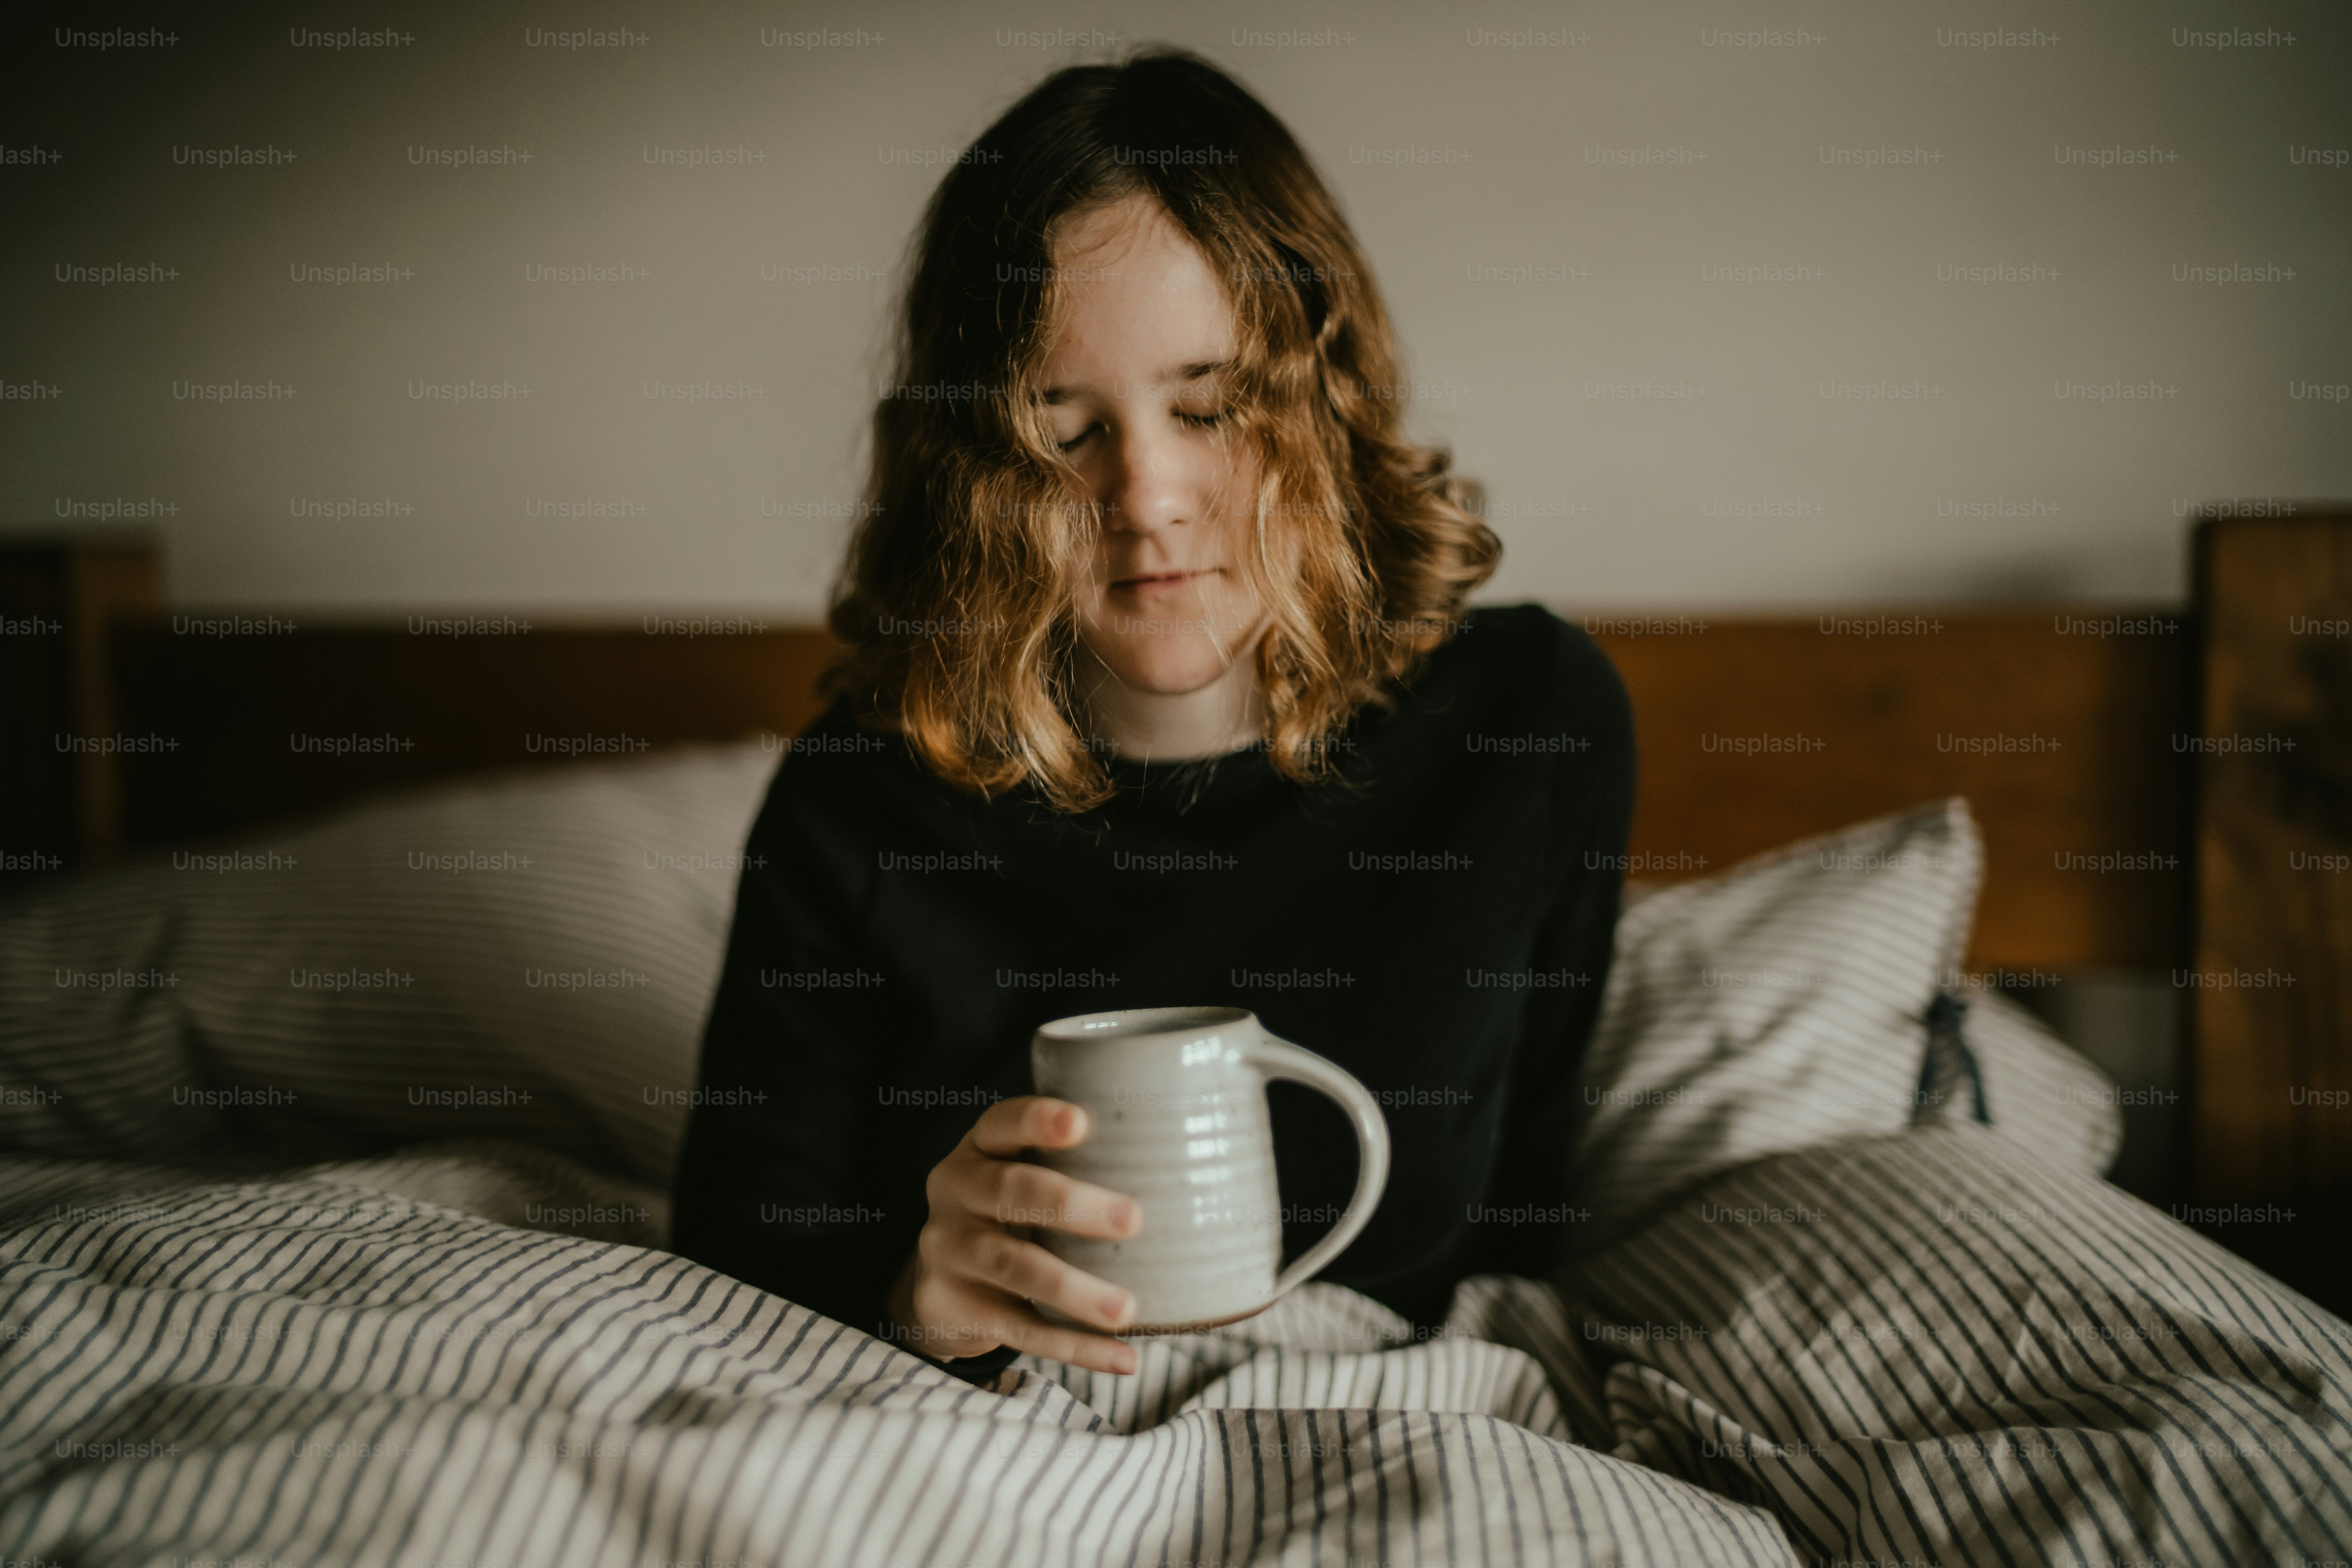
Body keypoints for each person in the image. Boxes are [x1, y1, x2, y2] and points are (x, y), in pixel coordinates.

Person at [670, 50, 1634, 1387]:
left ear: (1329, 400)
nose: (1147, 497)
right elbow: (731, 1261)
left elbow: (1531, 1211)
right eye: (1062, 432)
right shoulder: (858, 801)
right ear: (972, 473)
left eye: (1212, 407)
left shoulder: (1527, 725)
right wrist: (911, 1301)